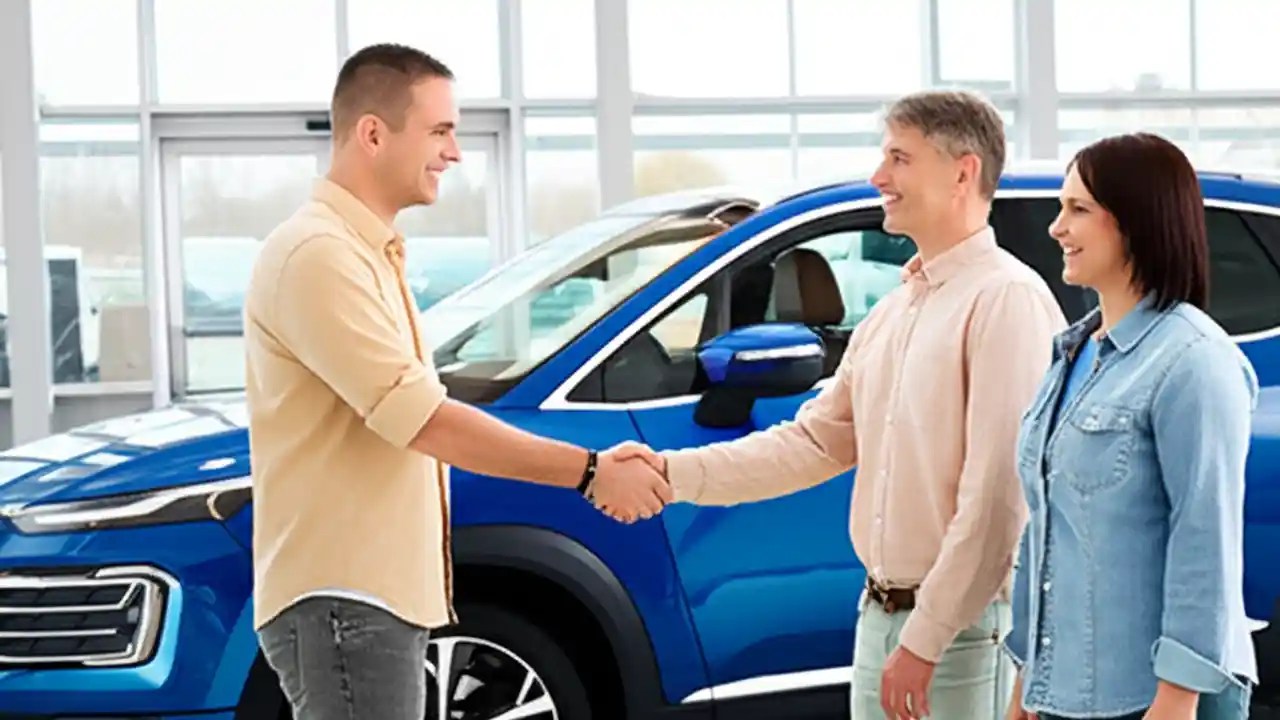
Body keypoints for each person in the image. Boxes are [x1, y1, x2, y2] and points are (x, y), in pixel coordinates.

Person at [242, 43, 671, 720]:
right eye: (440, 130)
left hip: (368, 600)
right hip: (347, 601)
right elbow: (424, 420)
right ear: (373, 134)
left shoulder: (363, 252)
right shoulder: (318, 256)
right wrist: (588, 471)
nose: (456, 152)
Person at [613, 89, 1067, 719]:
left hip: (958, 632)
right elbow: (814, 443)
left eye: (899, 159)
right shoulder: (895, 309)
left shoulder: (1005, 300)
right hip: (880, 617)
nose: (879, 177)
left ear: (963, 171)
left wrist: (926, 638)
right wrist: (671, 474)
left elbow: (996, 500)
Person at [1002, 133, 1258, 720]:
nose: (1055, 228)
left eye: (1078, 210)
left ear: (1136, 223)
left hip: (1151, 701)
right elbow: (1044, 536)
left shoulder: (1193, 360)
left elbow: (1205, 543)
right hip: (1062, 695)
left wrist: (1176, 701)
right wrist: (1026, 690)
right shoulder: (1069, 354)